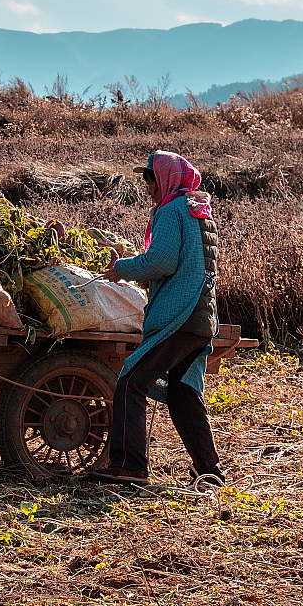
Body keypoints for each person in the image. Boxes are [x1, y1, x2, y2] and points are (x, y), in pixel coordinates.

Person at [100, 150, 223, 488]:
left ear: (166, 179)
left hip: (179, 315)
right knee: (183, 394)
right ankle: (209, 471)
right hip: (200, 316)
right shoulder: (199, 211)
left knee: (131, 382)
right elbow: (181, 265)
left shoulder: (171, 210)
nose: (149, 188)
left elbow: (163, 262)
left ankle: (130, 465)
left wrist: (121, 268)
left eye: (151, 180)